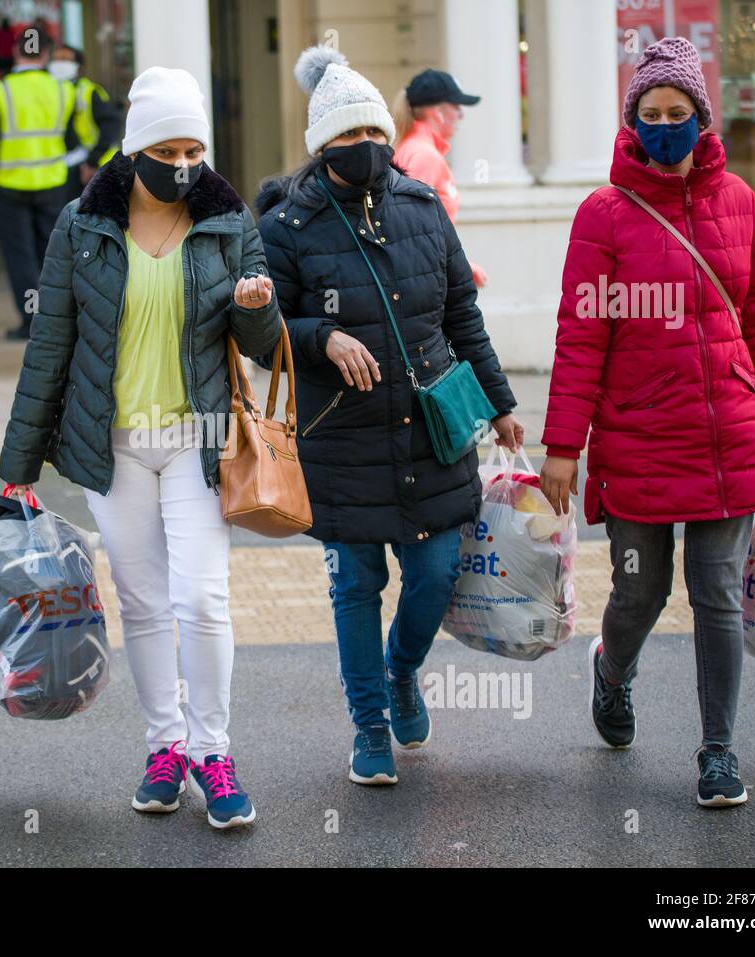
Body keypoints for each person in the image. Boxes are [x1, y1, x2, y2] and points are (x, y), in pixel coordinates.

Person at [0, 66, 282, 829]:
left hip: (200, 439)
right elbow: (50, 346)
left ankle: (213, 754)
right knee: (146, 603)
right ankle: (166, 745)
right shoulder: (82, 226)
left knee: (203, 598)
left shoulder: (227, 221)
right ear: (135, 150)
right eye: (170, 147)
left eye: (196, 148)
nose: (184, 163)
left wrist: (257, 309)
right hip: (112, 445)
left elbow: (259, 343)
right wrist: (17, 473)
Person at [538, 37, 755, 808]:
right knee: (641, 591)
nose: (667, 126)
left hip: (729, 430)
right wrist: (563, 447)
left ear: (702, 115)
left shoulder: (740, 202)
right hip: (637, 434)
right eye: (652, 114)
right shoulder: (603, 214)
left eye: (679, 112)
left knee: (719, 592)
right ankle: (613, 669)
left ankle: (719, 752)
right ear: (633, 121)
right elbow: (582, 332)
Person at [255, 46, 522, 787]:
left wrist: (499, 403)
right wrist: (321, 334)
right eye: (345, 139)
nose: (364, 150)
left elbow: (461, 312)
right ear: (320, 147)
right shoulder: (289, 225)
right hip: (340, 436)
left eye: (371, 134)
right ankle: (369, 726)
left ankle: (402, 670)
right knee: (355, 587)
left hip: (432, 427)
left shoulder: (419, 206)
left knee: (436, 572)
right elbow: (265, 331)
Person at [0, 27, 78, 339]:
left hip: (9, 187)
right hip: (52, 184)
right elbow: (72, 140)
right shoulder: (64, 90)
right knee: (52, 256)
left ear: (15, 53)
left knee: (20, 257)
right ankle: (57, 321)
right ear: (46, 54)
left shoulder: (0, 90)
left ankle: (32, 322)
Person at [390, 69, 488, 287]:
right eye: (456, 107)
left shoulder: (413, 148)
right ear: (437, 112)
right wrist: (462, 266)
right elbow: (408, 225)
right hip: (421, 278)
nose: (461, 115)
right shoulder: (425, 155)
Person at [50, 44, 121, 203]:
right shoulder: (50, 90)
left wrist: (92, 160)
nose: (59, 63)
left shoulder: (88, 91)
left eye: (65, 59)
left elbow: (111, 125)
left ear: (79, 67)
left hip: (92, 165)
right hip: (61, 165)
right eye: (56, 59)